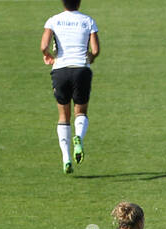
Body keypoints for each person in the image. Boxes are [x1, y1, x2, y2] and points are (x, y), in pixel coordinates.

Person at [42, 0, 100, 174]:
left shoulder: (53, 20)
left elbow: (44, 45)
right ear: (79, 2)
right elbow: (95, 50)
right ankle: (79, 138)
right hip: (81, 69)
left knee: (63, 116)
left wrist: (49, 57)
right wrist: (89, 59)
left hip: (60, 70)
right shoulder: (88, 21)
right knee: (80, 112)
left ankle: (66, 158)